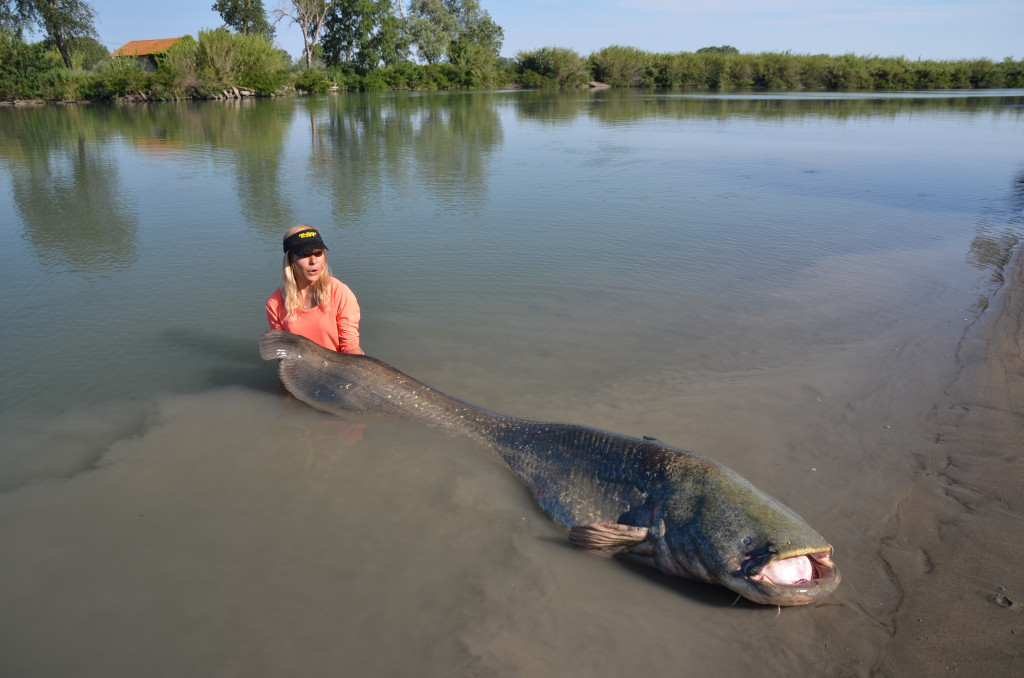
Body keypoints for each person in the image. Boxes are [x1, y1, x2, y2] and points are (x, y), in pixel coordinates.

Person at [266, 225, 364, 355]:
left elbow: (350, 346)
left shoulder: (340, 292)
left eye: (318, 253)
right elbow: (282, 354)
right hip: (298, 370)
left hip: (338, 369)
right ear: (290, 260)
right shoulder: (275, 303)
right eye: (304, 255)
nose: (313, 261)